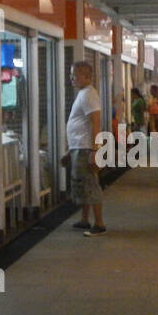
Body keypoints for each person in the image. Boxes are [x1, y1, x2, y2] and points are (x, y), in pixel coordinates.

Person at [66, 59, 106, 235]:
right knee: (83, 185)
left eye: (74, 75)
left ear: (85, 76)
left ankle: (99, 224)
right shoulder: (83, 94)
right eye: (71, 75)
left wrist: (95, 150)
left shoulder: (88, 94)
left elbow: (95, 122)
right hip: (79, 147)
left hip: (86, 149)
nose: (71, 78)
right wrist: (70, 151)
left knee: (90, 185)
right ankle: (85, 219)